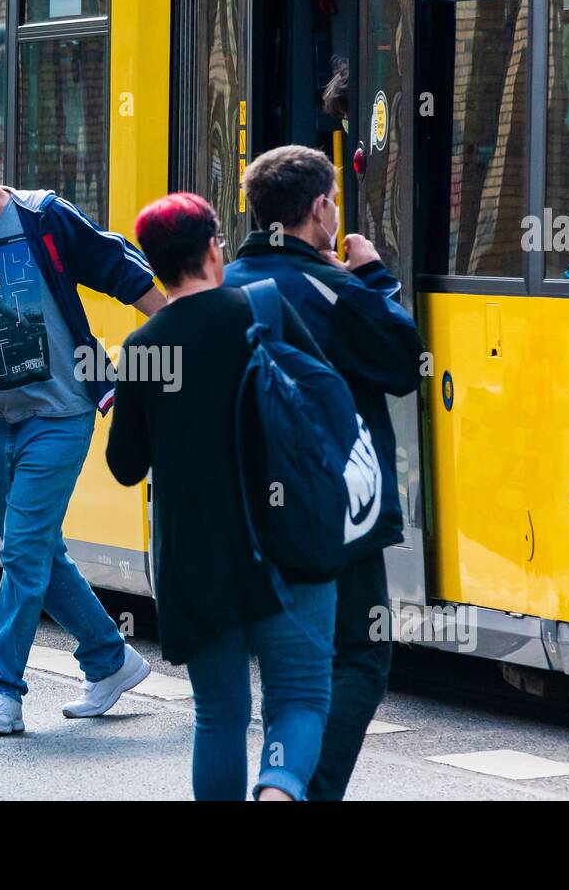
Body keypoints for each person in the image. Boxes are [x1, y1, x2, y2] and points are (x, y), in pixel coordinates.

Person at [0, 121, 165, 735]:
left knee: (20, 550)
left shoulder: (42, 217)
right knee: (39, 551)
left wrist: (187, 326)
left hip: (61, 411)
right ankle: (109, 657)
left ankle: (2, 691)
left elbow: (116, 266)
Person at [106, 192, 336, 800]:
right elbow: (323, 406)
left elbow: (124, 467)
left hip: (196, 561)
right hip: (288, 550)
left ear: (154, 264)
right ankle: (279, 790)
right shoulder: (264, 311)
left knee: (220, 716)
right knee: (301, 700)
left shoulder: (143, 350)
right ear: (214, 248)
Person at [223, 142, 424, 801]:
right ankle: (299, 793)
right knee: (359, 658)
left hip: (244, 512)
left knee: (285, 672)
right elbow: (401, 360)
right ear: (319, 210)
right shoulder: (333, 286)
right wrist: (372, 277)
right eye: (333, 201)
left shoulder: (224, 287)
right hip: (333, 510)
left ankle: (280, 781)